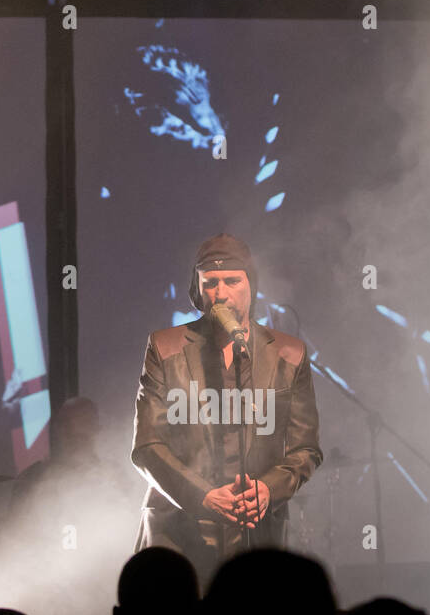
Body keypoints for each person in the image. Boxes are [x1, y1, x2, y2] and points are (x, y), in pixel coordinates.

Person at [131, 233, 322, 579]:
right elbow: (146, 446)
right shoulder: (165, 347)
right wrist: (203, 496)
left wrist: (268, 489)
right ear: (197, 288)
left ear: (252, 285)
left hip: (256, 535)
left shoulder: (289, 354)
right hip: (176, 537)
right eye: (211, 283)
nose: (220, 294)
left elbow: (305, 449)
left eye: (232, 281)